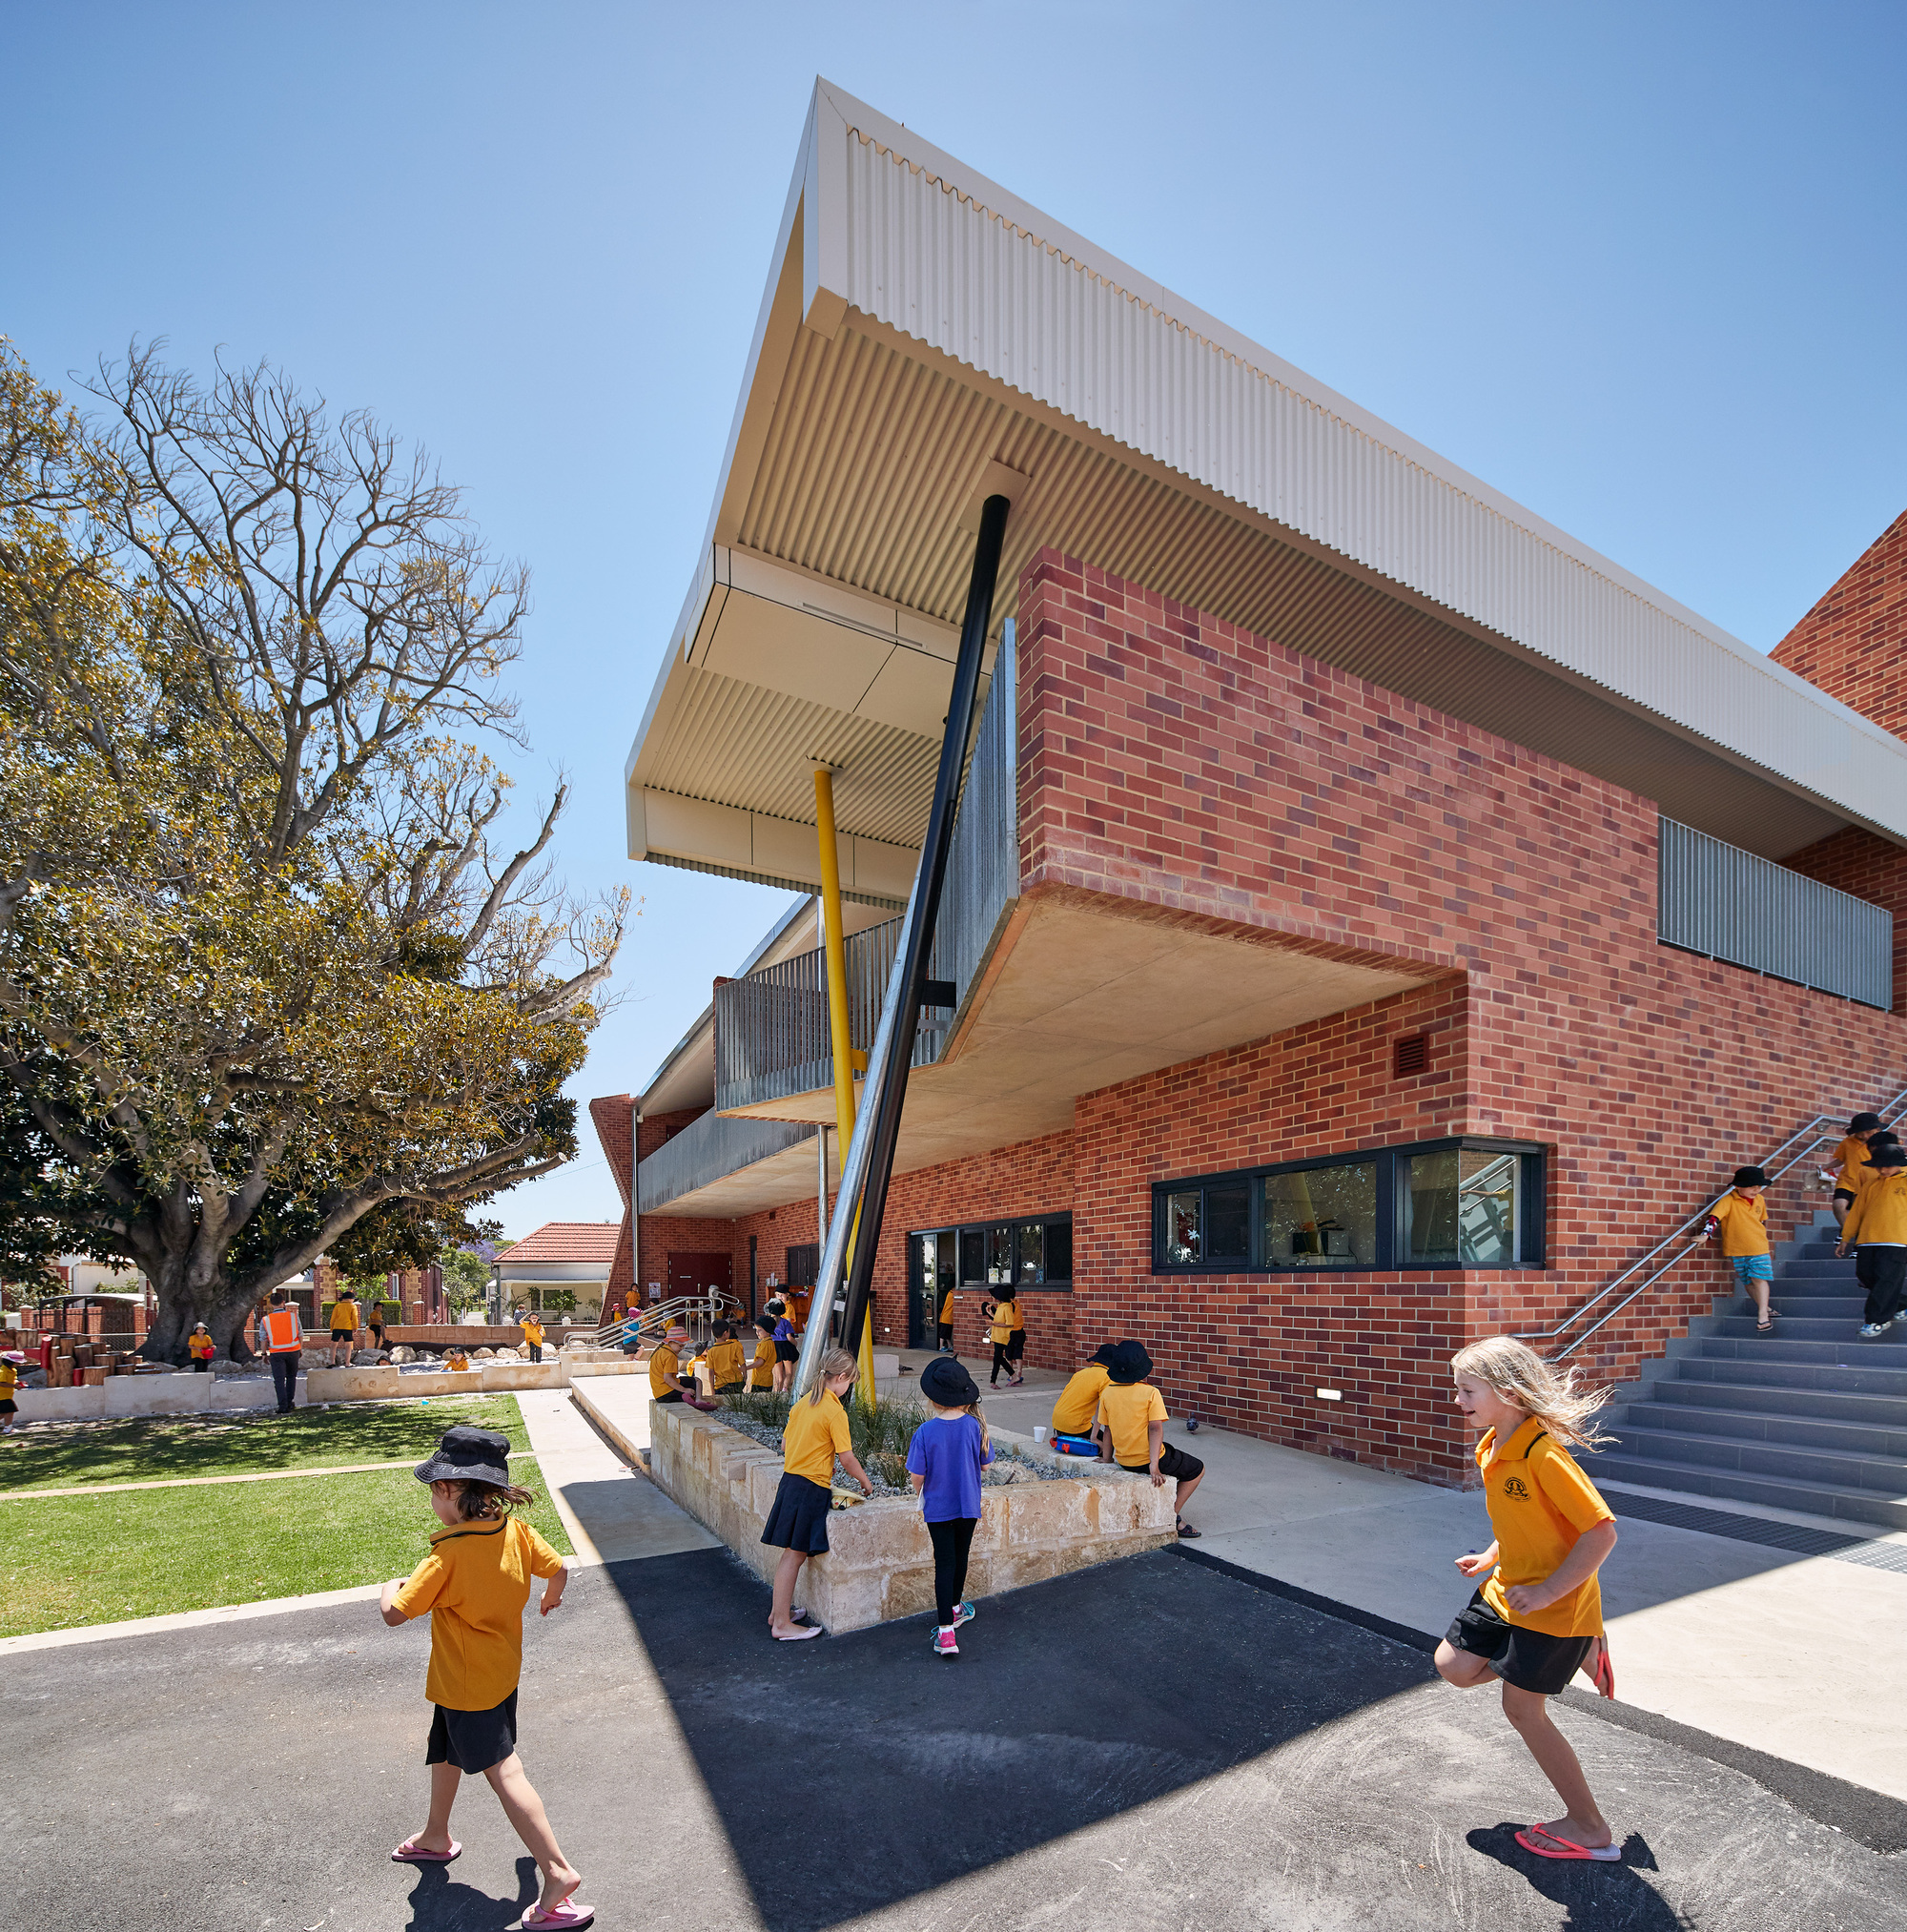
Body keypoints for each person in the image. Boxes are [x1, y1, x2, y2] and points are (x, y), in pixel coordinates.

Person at [379, 1425, 589, 1929]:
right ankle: (436, 1834)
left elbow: (395, 1613)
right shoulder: (512, 1531)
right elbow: (557, 1567)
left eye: (433, 1489)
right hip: (493, 1676)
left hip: (467, 1687)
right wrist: (550, 1595)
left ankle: (557, 1873)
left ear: (450, 1491)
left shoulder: (446, 1555)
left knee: (506, 1773)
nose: (432, 1498)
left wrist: (389, 1586)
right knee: (446, 1750)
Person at [1433, 1335, 1620, 1863]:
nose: (1458, 1401)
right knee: (1452, 1666)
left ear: (1509, 1394)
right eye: (1457, 1389)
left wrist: (1549, 1590)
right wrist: (1492, 1556)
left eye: (1467, 1391)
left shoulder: (1546, 1455)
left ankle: (1589, 1827)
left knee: (1522, 1709)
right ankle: (1583, 1649)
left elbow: (1600, 1532)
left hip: (1556, 1608)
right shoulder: (1491, 1445)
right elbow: (1525, 1520)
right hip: (1507, 1590)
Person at [762, 1347, 871, 1639]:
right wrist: (865, 1482)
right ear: (843, 1376)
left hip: (791, 1482)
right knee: (795, 1555)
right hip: (810, 1488)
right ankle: (782, 1624)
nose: (848, 1389)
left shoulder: (802, 1404)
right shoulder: (834, 1410)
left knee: (790, 1553)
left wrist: (821, 1458)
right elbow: (847, 1458)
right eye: (850, 1382)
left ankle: (778, 1612)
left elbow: (787, 1446)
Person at [906, 1356, 994, 1656]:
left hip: (938, 1509)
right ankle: (956, 1607)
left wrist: (920, 1490)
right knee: (961, 1557)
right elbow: (986, 1465)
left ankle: (946, 1633)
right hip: (968, 1505)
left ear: (933, 1399)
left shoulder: (924, 1432)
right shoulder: (975, 1426)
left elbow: (917, 1475)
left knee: (944, 1562)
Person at [1096, 1340, 1203, 1536]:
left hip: (1126, 1459)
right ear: (1143, 1370)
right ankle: (1170, 1515)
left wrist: (1107, 1458)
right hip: (1148, 1460)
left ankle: (1167, 1509)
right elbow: (1155, 1429)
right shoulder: (1150, 1393)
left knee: (1172, 1452)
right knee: (1197, 1469)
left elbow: (1108, 1429)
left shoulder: (1107, 1393)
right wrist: (1154, 1465)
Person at [1837, 1141, 1907, 1337]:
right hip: (1867, 1240)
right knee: (1866, 1276)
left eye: (1887, 1165)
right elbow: (1857, 1212)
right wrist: (1846, 1238)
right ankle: (1901, 1304)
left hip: (1897, 1241)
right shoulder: (1869, 1185)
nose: (1883, 1169)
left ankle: (1875, 1321)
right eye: (1879, 1166)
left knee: (1886, 1279)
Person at [1705, 1163, 1774, 1334]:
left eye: (1759, 1186)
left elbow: (1762, 1220)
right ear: (1737, 1186)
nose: (1756, 1190)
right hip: (1737, 1249)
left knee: (1759, 1278)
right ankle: (1764, 1306)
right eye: (1752, 1186)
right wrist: (1705, 1235)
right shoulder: (1728, 1200)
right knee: (1748, 1282)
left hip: (1758, 1246)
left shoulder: (1760, 1200)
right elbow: (1715, 1218)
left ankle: (1763, 1314)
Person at [1049, 1344, 1118, 1456]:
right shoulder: (1107, 1377)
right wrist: (1094, 1437)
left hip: (1057, 1423)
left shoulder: (1080, 1373)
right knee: (1108, 1442)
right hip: (1075, 1426)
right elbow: (1101, 1408)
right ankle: (1105, 1462)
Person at [1827, 1112, 1885, 1231]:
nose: (1864, 1136)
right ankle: (1846, 1231)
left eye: (1868, 1132)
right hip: (1847, 1181)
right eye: (1860, 1133)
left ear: (1877, 1130)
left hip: (1868, 1183)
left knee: (1862, 1212)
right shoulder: (1848, 1142)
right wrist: (1827, 1166)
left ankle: (1858, 1236)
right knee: (1839, 1206)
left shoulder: (1882, 1144)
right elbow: (1841, 1159)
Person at [261, 1289, 303, 1414]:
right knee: (291, 1377)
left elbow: (263, 1339)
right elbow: (300, 1334)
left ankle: (282, 1405)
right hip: (293, 1351)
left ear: (271, 1304)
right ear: (283, 1303)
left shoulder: (266, 1319)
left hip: (276, 1352)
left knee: (279, 1380)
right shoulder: (293, 1316)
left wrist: (264, 1354)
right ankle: (290, 1402)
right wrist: (300, 1348)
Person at [982, 1285, 1023, 1387]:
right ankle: (1008, 1377)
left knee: (997, 1358)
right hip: (997, 1335)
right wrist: (990, 1314)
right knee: (998, 1358)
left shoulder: (1007, 1307)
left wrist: (994, 1324)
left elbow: (1010, 1323)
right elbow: (998, 1319)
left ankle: (995, 1381)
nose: (992, 1297)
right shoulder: (1001, 1307)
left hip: (1002, 1337)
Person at [648, 1326, 692, 1405]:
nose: (682, 1349)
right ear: (671, 1342)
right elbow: (668, 1379)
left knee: (687, 1380)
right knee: (695, 1381)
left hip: (658, 1393)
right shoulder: (670, 1355)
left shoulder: (660, 1351)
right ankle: (698, 1400)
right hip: (667, 1393)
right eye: (680, 1346)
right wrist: (684, 1390)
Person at [704, 1322, 746, 1395]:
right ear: (725, 1333)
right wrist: (745, 1377)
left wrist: (712, 1389)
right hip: (736, 1382)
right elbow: (742, 1364)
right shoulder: (735, 1346)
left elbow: (711, 1372)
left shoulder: (711, 1351)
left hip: (721, 1385)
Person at [769, 1298, 800, 1395]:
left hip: (774, 1346)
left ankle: (777, 1390)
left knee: (779, 1375)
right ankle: (785, 1389)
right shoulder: (785, 1322)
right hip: (786, 1347)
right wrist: (795, 1344)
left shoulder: (768, 1322)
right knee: (789, 1372)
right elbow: (789, 1337)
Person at [329, 1288, 361, 1365]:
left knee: (334, 1345)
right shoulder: (352, 1307)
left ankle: (332, 1362)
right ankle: (347, 1363)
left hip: (337, 1327)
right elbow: (354, 1318)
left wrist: (331, 1327)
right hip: (347, 1327)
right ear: (350, 1299)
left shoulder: (337, 1306)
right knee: (348, 1346)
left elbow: (333, 1318)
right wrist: (355, 1327)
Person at [748, 1317, 778, 1392]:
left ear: (768, 1331)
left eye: (760, 1330)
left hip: (760, 1380)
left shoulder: (764, 1344)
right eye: (756, 1330)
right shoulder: (771, 1343)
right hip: (767, 1380)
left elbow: (760, 1362)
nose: (757, 1332)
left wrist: (746, 1368)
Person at [0, 1347, 24, 1433]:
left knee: (3, 1413)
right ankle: (8, 1428)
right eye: (17, 1363)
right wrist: (14, 1386)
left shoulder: (13, 1371)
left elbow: (14, 1379)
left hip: (7, 1395)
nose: (18, 1364)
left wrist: (18, 1383)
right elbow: (1, 1383)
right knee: (10, 1410)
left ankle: (8, 1427)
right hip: (2, 1395)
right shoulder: (2, 1371)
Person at [936, 1273, 956, 1353]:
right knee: (943, 1333)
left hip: (948, 1317)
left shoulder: (950, 1293)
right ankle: (941, 1347)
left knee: (947, 1333)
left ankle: (950, 1345)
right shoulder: (951, 1294)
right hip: (947, 1317)